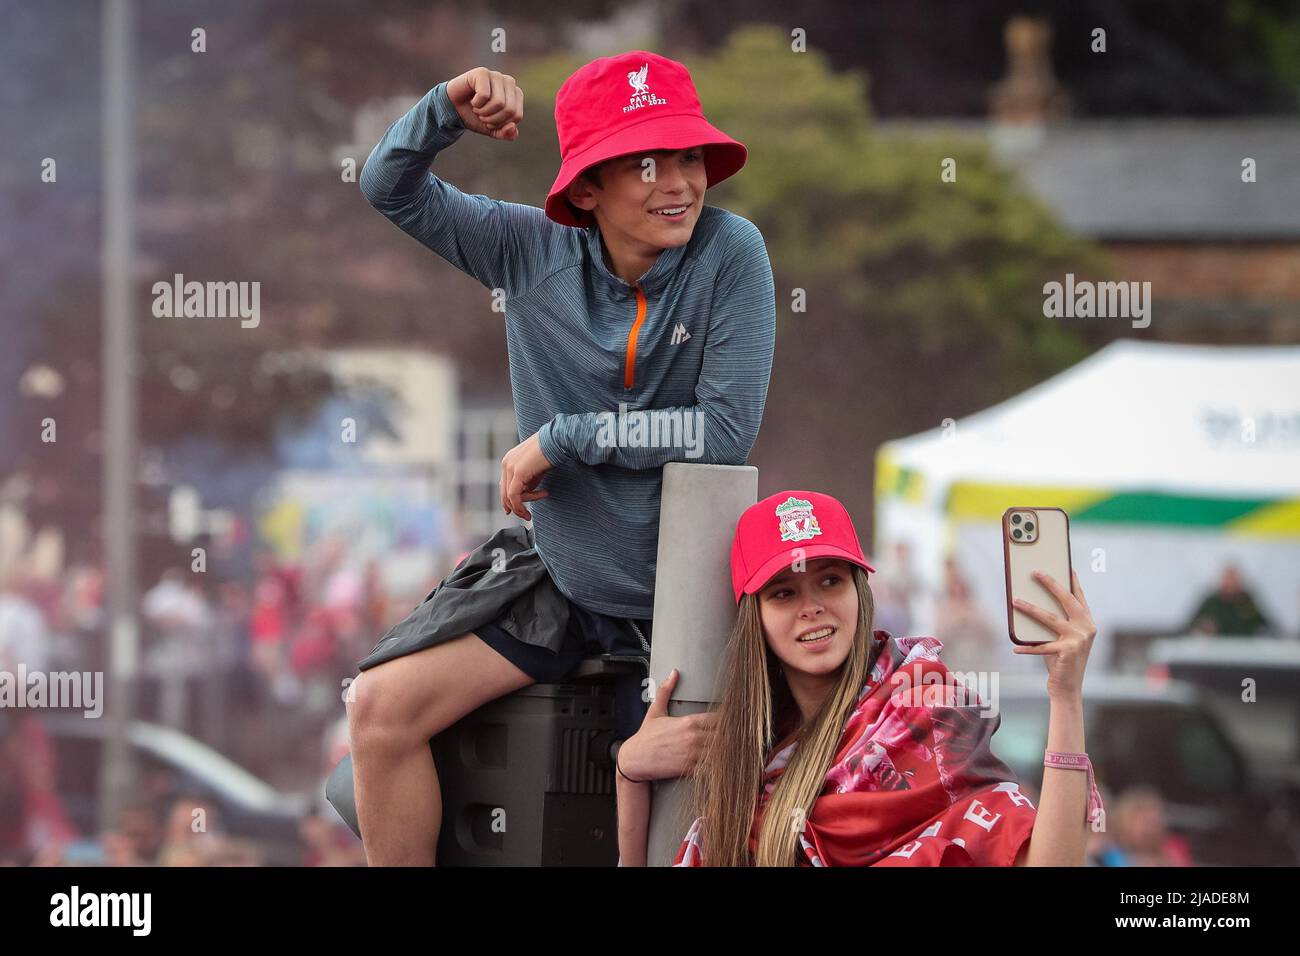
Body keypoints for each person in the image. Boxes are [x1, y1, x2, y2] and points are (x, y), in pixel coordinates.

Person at [346, 52, 776, 865]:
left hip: (686, 601)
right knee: (377, 708)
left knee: (667, 839)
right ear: (586, 190)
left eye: (689, 157)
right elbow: (388, 186)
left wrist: (565, 437)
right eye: (647, 164)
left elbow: (722, 433)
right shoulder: (524, 249)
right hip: (561, 576)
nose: (679, 182)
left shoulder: (732, 253)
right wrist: (444, 106)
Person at [615, 490, 1102, 866]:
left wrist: (1065, 695)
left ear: (860, 593)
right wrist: (629, 769)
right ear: (754, 618)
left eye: (831, 580)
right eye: (783, 594)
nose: (812, 608)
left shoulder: (927, 713)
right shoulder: (742, 747)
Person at [1188, 564, 1271, 636]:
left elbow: (1265, 624)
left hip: (1244, 650)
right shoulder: (1211, 602)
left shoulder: (1246, 601)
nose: (1231, 584)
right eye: (1228, 579)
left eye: (1233, 580)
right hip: (1215, 650)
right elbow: (1193, 623)